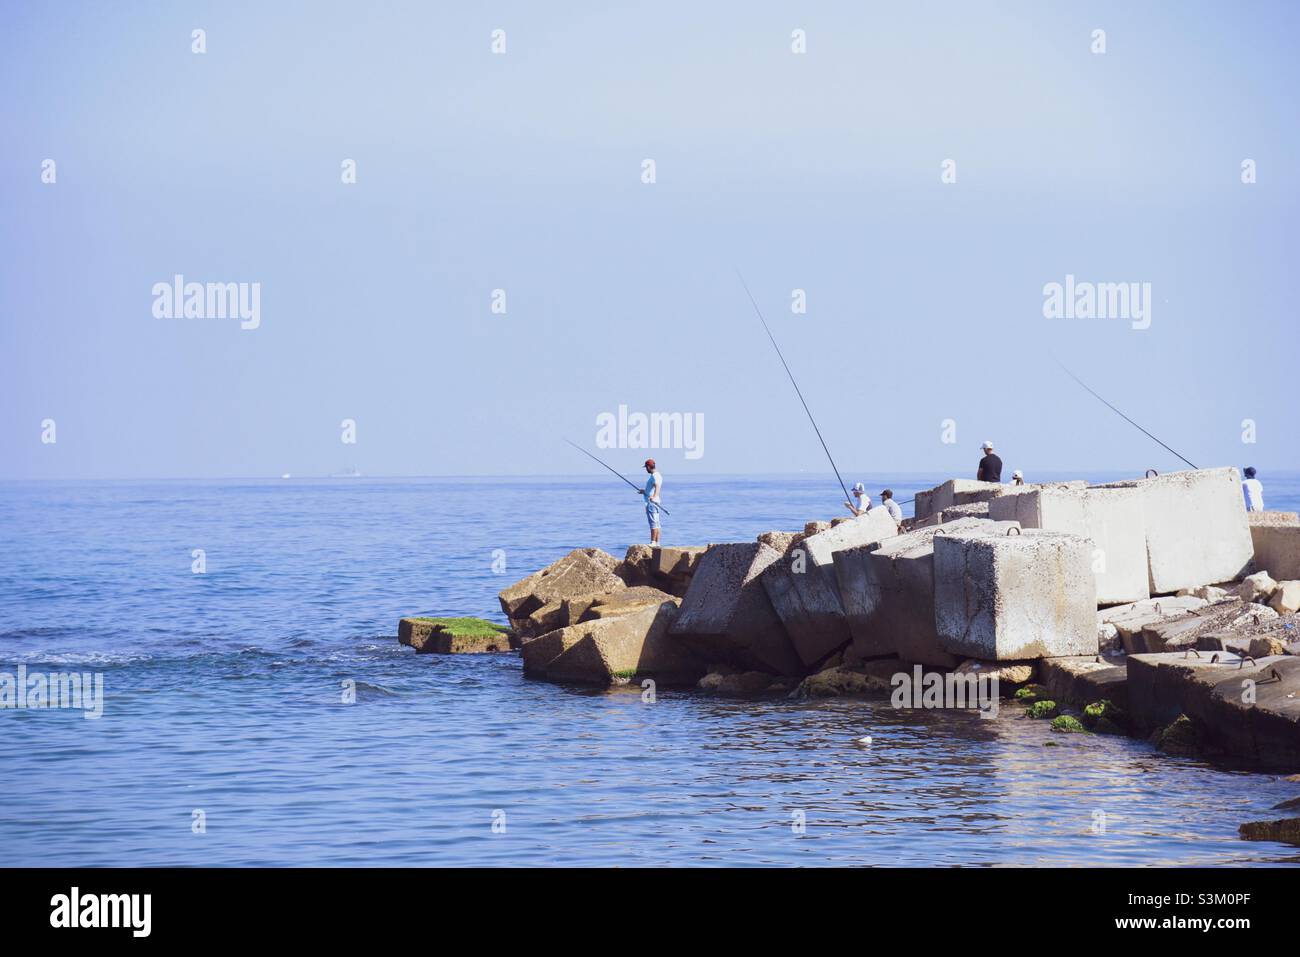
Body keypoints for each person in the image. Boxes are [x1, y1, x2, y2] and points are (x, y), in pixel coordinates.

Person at [640, 458, 663, 543]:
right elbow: (653, 487)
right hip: (655, 501)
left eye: (646, 467)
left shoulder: (654, 475)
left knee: (653, 523)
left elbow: (657, 485)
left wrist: (654, 496)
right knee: (657, 523)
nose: (646, 469)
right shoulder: (658, 475)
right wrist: (644, 492)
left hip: (652, 503)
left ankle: (653, 542)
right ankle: (657, 542)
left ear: (649, 467)